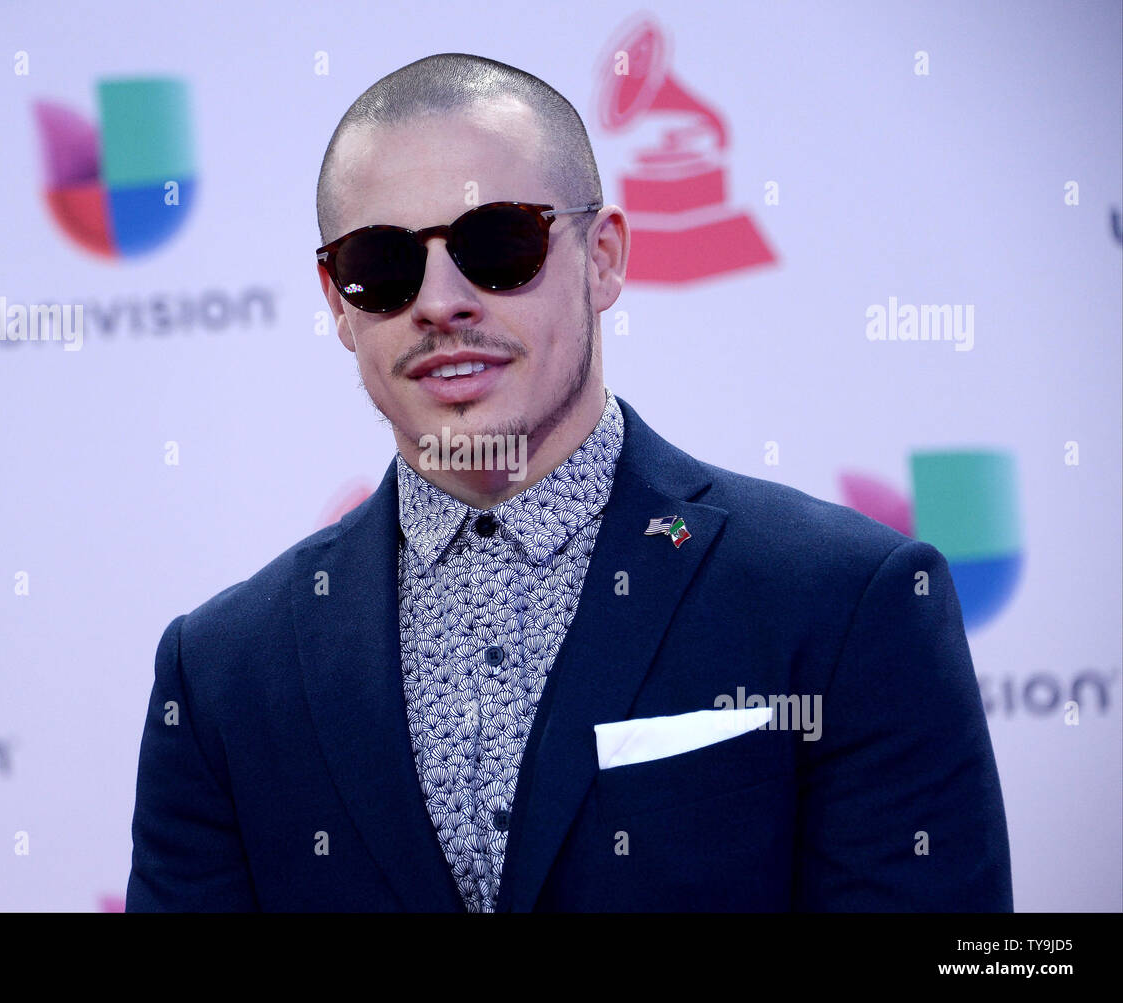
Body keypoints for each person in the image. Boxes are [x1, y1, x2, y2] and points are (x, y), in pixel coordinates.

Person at [126, 53, 1012, 912]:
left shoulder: (845, 605)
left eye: (498, 243)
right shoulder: (221, 674)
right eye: (383, 265)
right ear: (336, 302)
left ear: (605, 258)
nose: (441, 301)